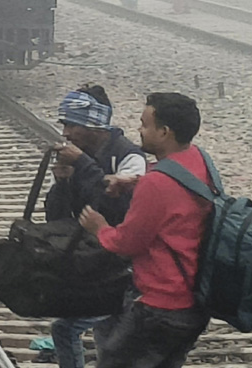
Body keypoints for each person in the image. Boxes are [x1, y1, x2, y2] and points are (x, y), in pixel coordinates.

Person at [80, 93, 212, 368]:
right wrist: (135, 182)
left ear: (164, 132)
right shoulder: (199, 159)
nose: (139, 129)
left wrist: (100, 228)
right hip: (192, 304)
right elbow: (177, 193)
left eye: (144, 124)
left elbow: (127, 243)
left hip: (157, 307)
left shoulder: (157, 184)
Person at [44, 86, 147, 368]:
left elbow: (118, 206)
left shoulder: (130, 158)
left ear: (93, 125)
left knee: (87, 335)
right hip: (98, 266)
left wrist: (83, 164)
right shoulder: (78, 158)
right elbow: (57, 220)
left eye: (70, 125)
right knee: (96, 339)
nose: (65, 133)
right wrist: (63, 183)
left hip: (128, 271)